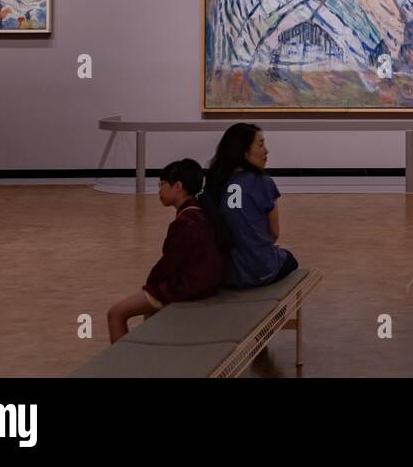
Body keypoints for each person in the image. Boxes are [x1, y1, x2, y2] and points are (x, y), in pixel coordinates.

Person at [107, 159, 225, 343]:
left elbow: (168, 265)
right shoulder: (202, 211)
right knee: (149, 309)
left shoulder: (184, 223)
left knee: (116, 313)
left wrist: (150, 286)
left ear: (177, 186)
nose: (159, 190)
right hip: (206, 284)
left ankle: (122, 367)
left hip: (189, 288)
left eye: (162, 185)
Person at [202, 123, 299, 289]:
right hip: (259, 271)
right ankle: (278, 314)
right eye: (260, 145)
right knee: (289, 258)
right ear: (244, 152)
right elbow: (274, 233)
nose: (266, 151)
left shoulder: (213, 183)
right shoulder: (263, 182)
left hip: (224, 273)